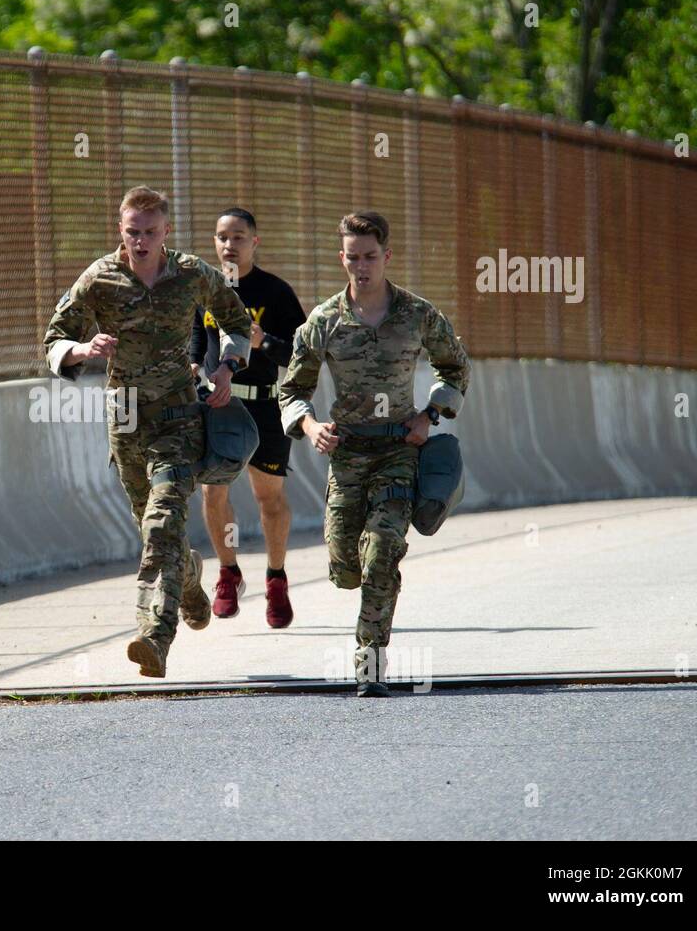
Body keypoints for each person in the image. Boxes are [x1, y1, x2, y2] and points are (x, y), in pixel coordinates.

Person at [43, 186, 253, 679]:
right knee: (153, 528)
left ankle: (154, 637)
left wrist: (225, 367)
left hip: (178, 416)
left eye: (150, 232)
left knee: (161, 525)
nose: (141, 241)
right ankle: (191, 583)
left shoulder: (190, 273)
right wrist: (83, 349)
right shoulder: (99, 279)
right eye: (133, 232)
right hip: (126, 419)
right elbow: (54, 339)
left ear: (166, 232)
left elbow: (235, 320)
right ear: (122, 230)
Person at [279, 211, 470, 697]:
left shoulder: (417, 315)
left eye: (370, 257)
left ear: (386, 256)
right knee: (346, 567)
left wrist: (430, 416)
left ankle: (370, 663)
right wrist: (309, 423)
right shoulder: (323, 322)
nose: (361, 267)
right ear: (341, 257)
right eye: (352, 257)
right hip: (347, 453)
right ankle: (358, 572)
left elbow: (455, 367)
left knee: (383, 550)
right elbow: (292, 389)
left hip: (399, 448)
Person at [189, 208, 307, 627]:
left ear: (253, 242)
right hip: (217, 406)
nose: (229, 245)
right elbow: (196, 340)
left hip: (263, 406)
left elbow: (300, 353)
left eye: (238, 237)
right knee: (213, 493)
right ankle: (228, 573)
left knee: (268, 499)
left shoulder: (274, 292)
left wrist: (264, 342)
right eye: (222, 237)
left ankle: (275, 579)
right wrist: (191, 369)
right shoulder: (205, 289)